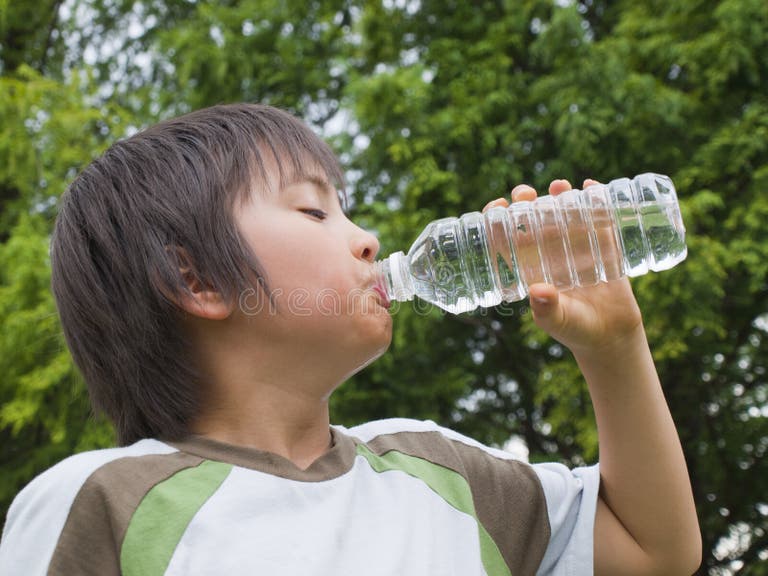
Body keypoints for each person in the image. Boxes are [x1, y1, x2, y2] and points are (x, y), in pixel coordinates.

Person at [0, 103, 700, 576]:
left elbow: (657, 549)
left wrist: (613, 350)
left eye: (347, 209)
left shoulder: (441, 473)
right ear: (196, 279)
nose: (366, 240)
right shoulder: (104, 501)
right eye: (313, 210)